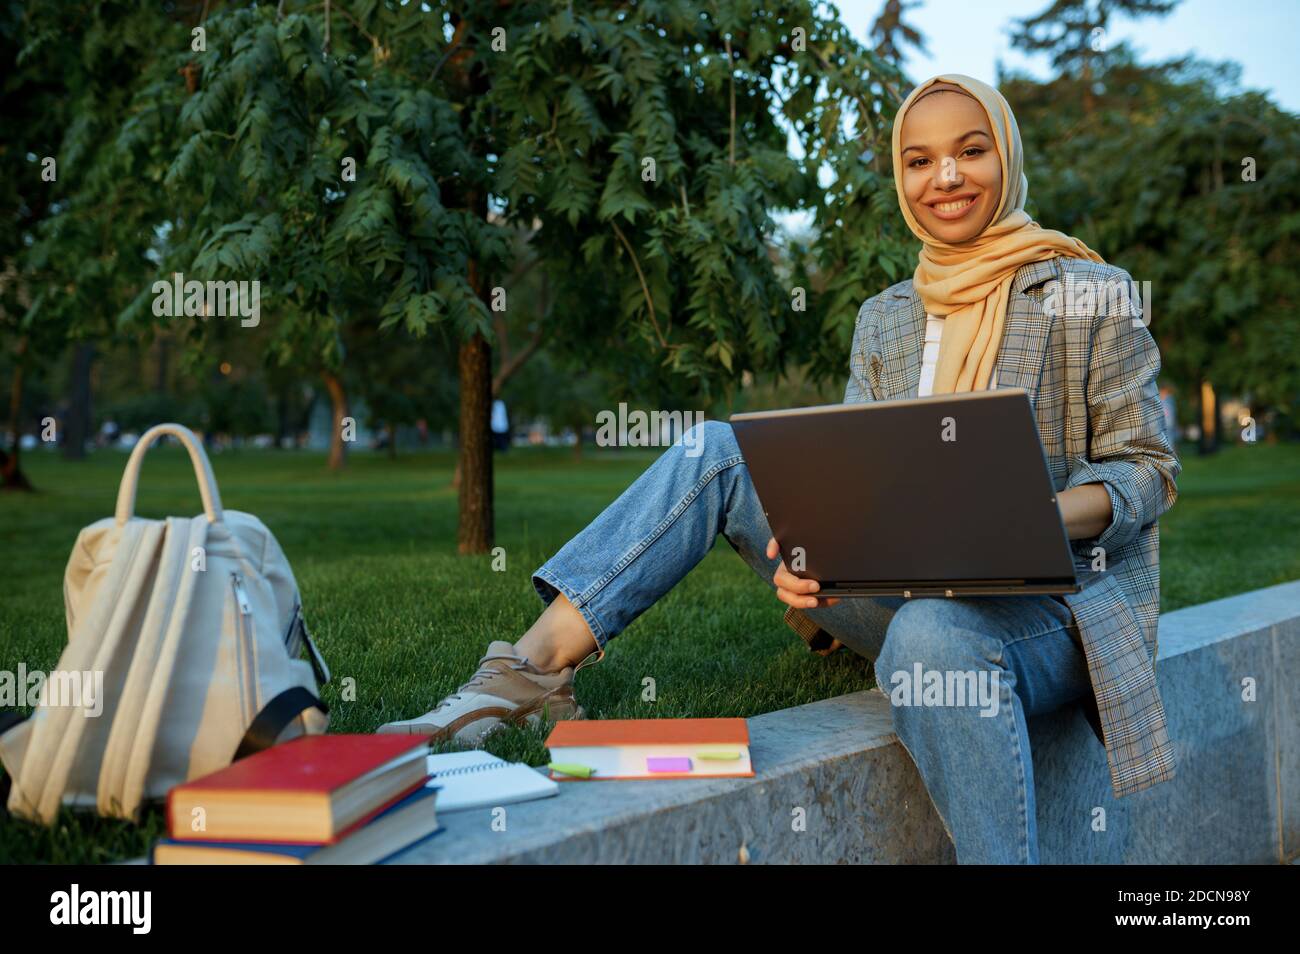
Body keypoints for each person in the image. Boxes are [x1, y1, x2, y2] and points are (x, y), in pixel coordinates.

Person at [380, 75, 1180, 864]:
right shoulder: (887, 317)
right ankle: (529, 674)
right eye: (918, 159)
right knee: (713, 451)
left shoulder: (1089, 292)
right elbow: (858, 485)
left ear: (1005, 155)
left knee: (937, 635)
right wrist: (820, 560)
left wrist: (1037, 517)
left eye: (971, 152)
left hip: (1055, 606)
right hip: (905, 589)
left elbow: (1146, 469)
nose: (945, 177)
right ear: (900, 179)